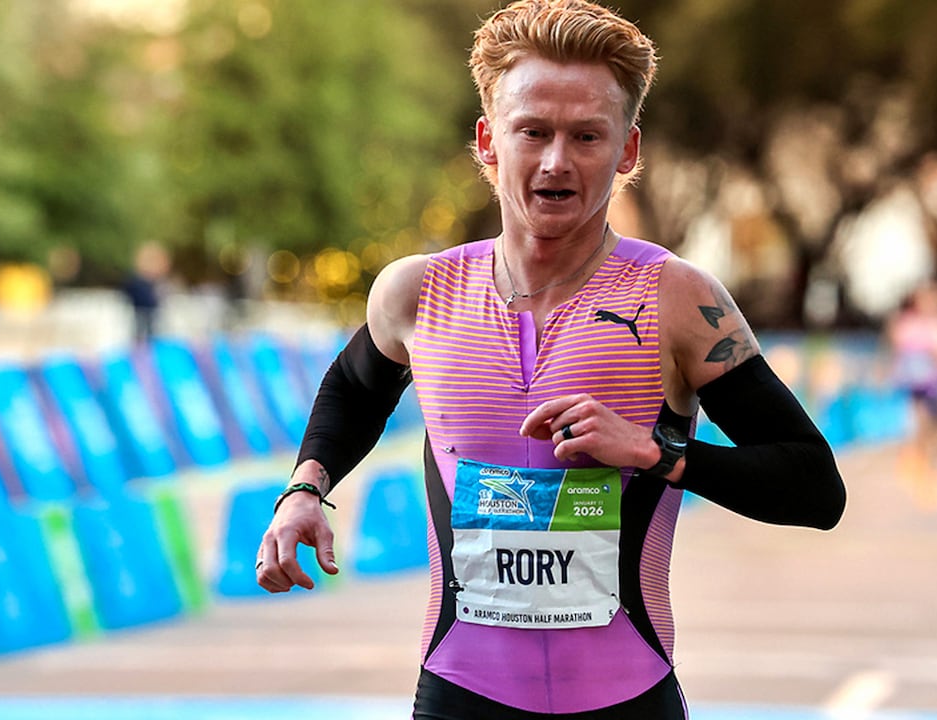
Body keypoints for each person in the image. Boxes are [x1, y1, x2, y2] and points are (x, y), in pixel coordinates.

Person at [256, 2, 846, 717]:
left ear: (628, 150)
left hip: (625, 697)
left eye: (587, 135)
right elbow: (354, 389)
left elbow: (816, 488)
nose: (556, 160)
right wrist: (305, 489)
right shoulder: (417, 293)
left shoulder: (678, 301)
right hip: (460, 693)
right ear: (488, 141)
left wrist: (657, 452)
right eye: (532, 131)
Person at [886, 280, 937, 509]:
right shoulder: (907, 324)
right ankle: (917, 464)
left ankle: (930, 465)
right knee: (919, 422)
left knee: (936, 428)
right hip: (914, 384)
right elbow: (896, 350)